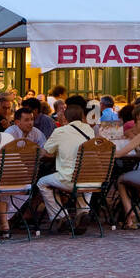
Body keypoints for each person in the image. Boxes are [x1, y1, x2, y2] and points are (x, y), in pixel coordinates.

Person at [38, 97, 96, 232]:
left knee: (42, 183)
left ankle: (61, 216)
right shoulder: (89, 130)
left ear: (65, 116)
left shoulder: (60, 131)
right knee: (84, 182)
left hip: (69, 178)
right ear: (82, 116)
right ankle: (83, 212)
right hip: (91, 178)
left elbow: (46, 152)